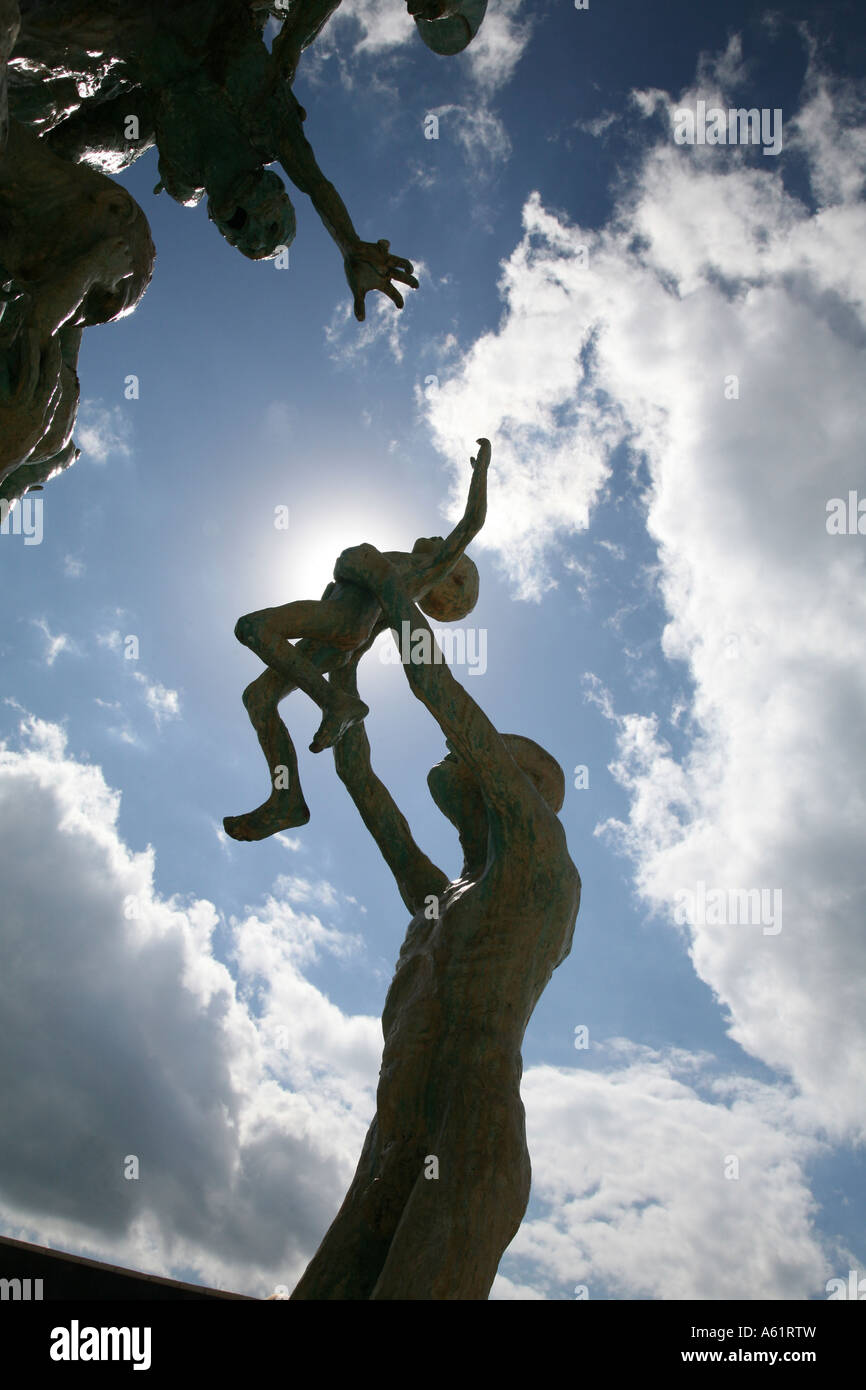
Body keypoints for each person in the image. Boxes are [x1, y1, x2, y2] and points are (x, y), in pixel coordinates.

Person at [289, 532, 580, 1299]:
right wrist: (342, 672)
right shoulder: (443, 895)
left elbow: (438, 692)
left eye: (485, 752)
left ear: (517, 781)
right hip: (392, 1145)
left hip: (470, 1140)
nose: (459, 757)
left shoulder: (535, 856)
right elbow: (368, 792)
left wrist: (393, 590)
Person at [224, 439, 490, 839]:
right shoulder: (401, 572)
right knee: (258, 698)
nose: (437, 539)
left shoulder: (426, 568)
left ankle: (334, 703)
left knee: (253, 627)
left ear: (454, 579)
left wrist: (481, 473)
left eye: (451, 556)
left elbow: (470, 525)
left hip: (341, 622)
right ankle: (287, 797)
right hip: (333, 632)